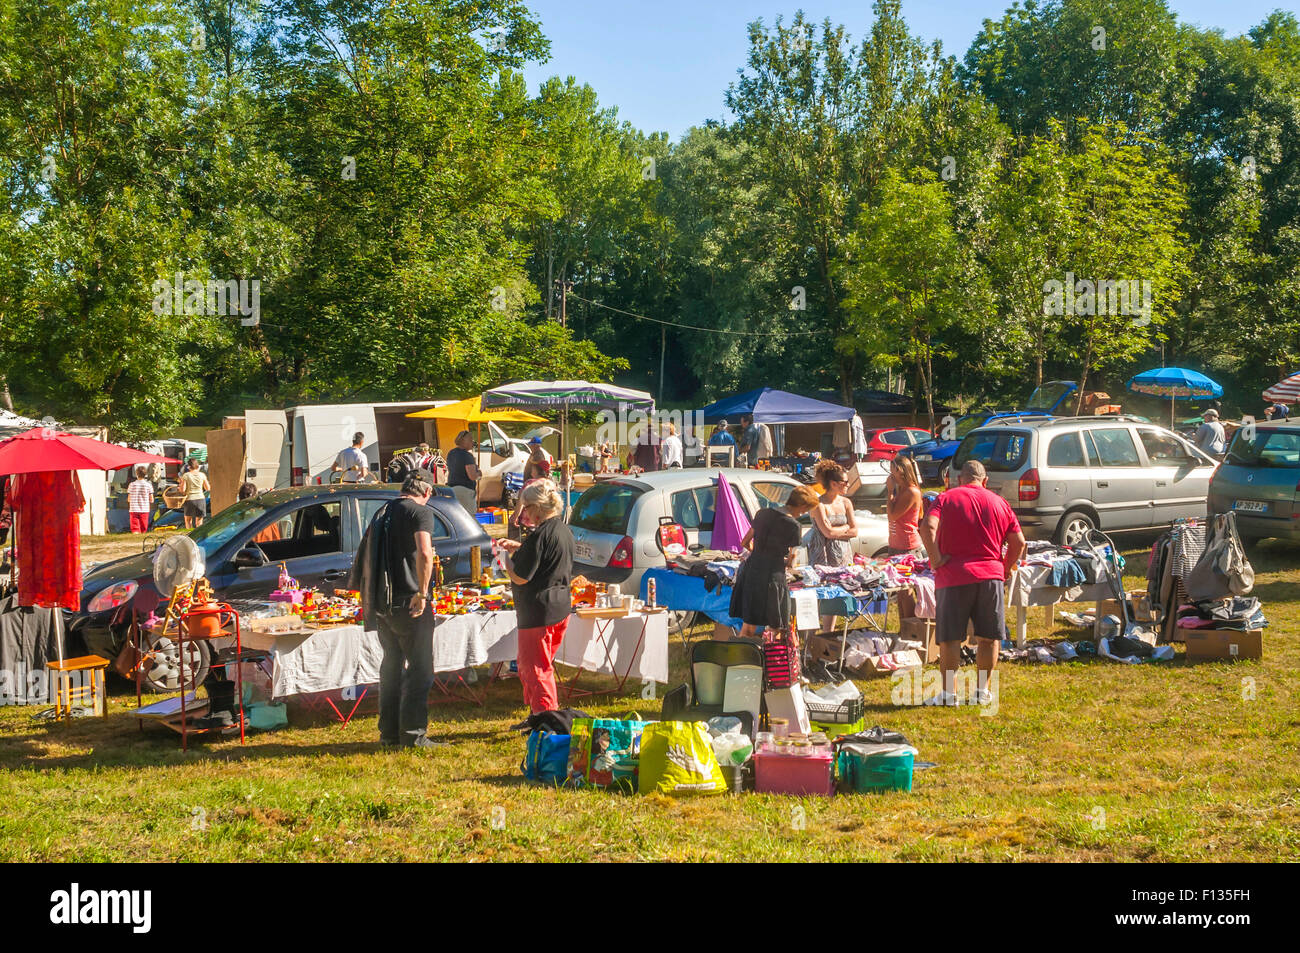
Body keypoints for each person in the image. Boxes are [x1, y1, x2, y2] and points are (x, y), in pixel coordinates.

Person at [919, 460, 1026, 707]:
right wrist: (1006, 568)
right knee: (989, 638)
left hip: (953, 576)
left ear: (959, 479)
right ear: (985, 481)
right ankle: (983, 692)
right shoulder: (1000, 503)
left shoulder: (946, 499)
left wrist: (935, 560)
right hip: (990, 576)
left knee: (950, 639)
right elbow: (1018, 543)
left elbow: (927, 527)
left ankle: (948, 694)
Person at [351, 471, 445, 748]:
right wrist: (423, 593)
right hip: (408, 600)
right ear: (426, 492)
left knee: (391, 665)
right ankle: (414, 735)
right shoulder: (420, 512)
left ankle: (389, 734)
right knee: (420, 669)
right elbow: (425, 552)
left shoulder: (384, 509)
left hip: (381, 601)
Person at [498, 480, 574, 714]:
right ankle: (537, 716)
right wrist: (520, 548)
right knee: (540, 665)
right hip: (558, 607)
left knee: (535, 669)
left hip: (538, 612)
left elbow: (521, 576)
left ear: (539, 507)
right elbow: (544, 558)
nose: (524, 513)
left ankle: (546, 719)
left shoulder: (540, 534)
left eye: (527, 507)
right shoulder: (562, 529)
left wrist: (503, 559)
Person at [728, 484, 821, 640]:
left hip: (752, 570)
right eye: (806, 510)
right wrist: (783, 559)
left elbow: (745, 542)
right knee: (776, 625)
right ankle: (770, 659)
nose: (804, 513)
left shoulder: (762, 514)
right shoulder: (793, 526)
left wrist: (759, 553)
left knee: (748, 624)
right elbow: (791, 561)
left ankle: (741, 658)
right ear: (803, 506)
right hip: (773, 576)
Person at [809, 460, 857, 630]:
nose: (847, 485)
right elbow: (826, 533)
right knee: (821, 594)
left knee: (837, 594)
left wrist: (838, 529)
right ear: (833, 483)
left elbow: (855, 531)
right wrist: (845, 528)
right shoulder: (818, 504)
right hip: (822, 555)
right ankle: (812, 636)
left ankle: (828, 634)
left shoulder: (846, 503)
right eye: (844, 482)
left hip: (843, 554)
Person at [886, 456, 924, 556]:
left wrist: (890, 491)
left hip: (907, 547)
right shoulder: (901, 489)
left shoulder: (911, 492)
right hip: (895, 545)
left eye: (892, 472)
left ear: (901, 471)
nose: (891, 476)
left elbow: (892, 516)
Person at [445, 430, 480, 515]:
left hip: (452, 488)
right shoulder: (467, 456)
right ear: (465, 441)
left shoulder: (451, 453)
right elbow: (472, 476)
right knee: (469, 517)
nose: (473, 442)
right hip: (465, 490)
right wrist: (479, 473)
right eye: (471, 440)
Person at [178, 458, 209, 529]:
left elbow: (183, 489)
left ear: (189, 466)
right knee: (199, 521)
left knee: (188, 520)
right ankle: (199, 535)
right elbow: (208, 488)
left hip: (190, 499)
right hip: (200, 499)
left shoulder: (186, 475)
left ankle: (189, 534)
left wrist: (180, 489)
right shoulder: (202, 475)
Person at [127, 466, 153, 534]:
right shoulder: (148, 485)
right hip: (144, 509)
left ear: (136, 473)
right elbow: (151, 500)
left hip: (134, 509)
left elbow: (129, 499)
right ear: (145, 474)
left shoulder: (131, 484)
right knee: (143, 528)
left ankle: (135, 537)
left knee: (135, 528)